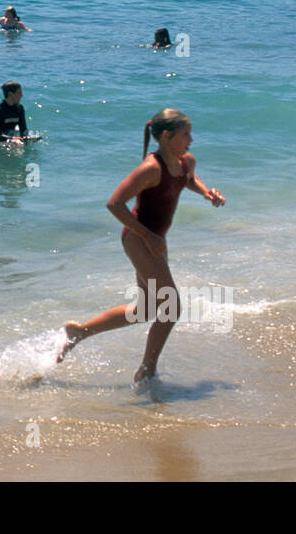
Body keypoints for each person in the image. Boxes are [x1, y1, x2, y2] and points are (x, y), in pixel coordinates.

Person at [56, 109, 225, 380]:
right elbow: (114, 204)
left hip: (156, 240)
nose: (191, 139)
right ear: (167, 136)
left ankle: (80, 332)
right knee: (171, 307)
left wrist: (207, 193)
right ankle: (146, 371)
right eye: (186, 134)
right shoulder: (151, 168)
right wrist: (148, 236)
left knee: (145, 310)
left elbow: (188, 179)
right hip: (139, 238)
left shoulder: (185, 161)